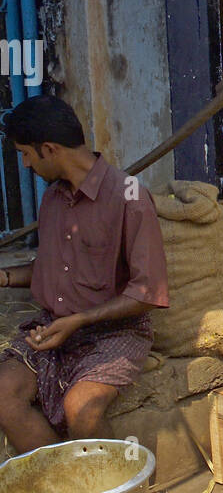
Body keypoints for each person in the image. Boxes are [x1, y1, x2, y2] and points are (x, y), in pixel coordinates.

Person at [0, 96, 169, 452]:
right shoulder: (53, 199)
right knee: (3, 395)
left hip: (115, 332)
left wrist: (79, 320)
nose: (26, 164)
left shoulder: (129, 196)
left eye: (25, 154)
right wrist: (3, 277)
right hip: (54, 325)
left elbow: (146, 292)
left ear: (48, 148)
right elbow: (52, 269)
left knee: (81, 408)